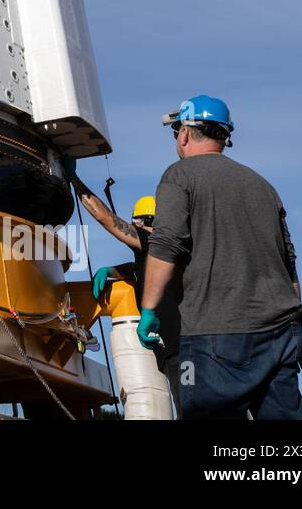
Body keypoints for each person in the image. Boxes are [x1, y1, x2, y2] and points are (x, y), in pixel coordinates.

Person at [138, 95, 302, 420]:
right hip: (281, 332)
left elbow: (165, 245)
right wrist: (296, 323)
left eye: (176, 130)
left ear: (185, 133)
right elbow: (289, 264)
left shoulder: (180, 175)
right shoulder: (263, 186)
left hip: (216, 337)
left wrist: (148, 310)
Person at [64, 162, 181, 415]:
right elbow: (144, 266)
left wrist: (74, 180)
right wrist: (115, 271)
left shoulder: (152, 240)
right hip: (183, 346)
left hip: (180, 349)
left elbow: (105, 218)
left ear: (140, 223)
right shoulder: (174, 248)